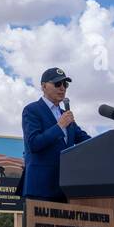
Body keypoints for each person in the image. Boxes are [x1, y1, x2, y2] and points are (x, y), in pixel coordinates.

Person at [20, 67, 91, 201]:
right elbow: (34, 144)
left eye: (65, 84)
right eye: (57, 84)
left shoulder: (66, 115)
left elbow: (85, 140)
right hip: (41, 188)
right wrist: (59, 126)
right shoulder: (32, 110)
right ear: (43, 86)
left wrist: (109, 143)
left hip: (66, 189)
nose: (62, 88)